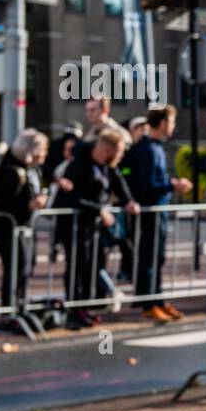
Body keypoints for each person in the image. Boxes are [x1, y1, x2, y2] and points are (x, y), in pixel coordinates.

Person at [61, 128, 138, 330]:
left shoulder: (106, 166)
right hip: (76, 225)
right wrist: (99, 210)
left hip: (92, 225)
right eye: (118, 151)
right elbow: (72, 197)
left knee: (92, 267)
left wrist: (128, 201)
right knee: (77, 267)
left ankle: (85, 307)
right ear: (107, 149)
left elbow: (118, 182)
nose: (119, 156)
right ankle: (73, 310)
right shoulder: (80, 164)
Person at [129, 105, 193, 321]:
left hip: (157, 210)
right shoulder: (148, 149)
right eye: (172, 122)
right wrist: (172, 185)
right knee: (151, 256)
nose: (173, 126)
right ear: (164, 123)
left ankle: (156, 299)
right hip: (151, 210)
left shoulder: (153, 147)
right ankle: (149, 302)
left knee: (157, 256)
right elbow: (147, 185)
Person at [0, 130, 50, 334]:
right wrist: (30, 204)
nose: (44, 154)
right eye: (41, 149)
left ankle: (19, 307)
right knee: (15, 269)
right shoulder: (11, 170)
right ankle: (9, 314)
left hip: (23, 228)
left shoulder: (31, 169)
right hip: (9, 228)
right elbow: (3, 203)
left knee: (25, 267)